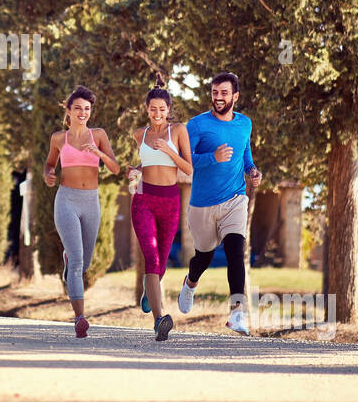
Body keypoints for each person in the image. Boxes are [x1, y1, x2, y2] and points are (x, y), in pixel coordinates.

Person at [178, 72, 262, 334]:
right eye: (215, 92)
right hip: (202, 204)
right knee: (203, 257)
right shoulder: (197, 125)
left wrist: (252, 171)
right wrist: (212, 157)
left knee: (236, 251)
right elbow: (185, 161)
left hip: (235, 199)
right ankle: (190, 283)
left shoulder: (245, 124)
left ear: (235, 96)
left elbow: (245, 154)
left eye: (224, 93)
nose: (218, 98)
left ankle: (237, 314)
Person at [44, 86, 120, 338]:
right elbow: (49, 164)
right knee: (78, 263)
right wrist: (48, 175)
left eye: (87, 109)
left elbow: (116, 168)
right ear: (68, 110)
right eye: (77, 108)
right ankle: (80, 319)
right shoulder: (58, 138)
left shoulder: (98, 135)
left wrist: (98, 153)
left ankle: (69, 262)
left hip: (91, 201)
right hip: (66, 200)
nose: (83, 112)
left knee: (83, 263)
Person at [126, 76, 193, 341]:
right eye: (152, 109)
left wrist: (168, 149)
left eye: (162, 109)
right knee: (151, 260)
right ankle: (159, 320)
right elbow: (147, 166)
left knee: (161, 264)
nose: (157, 113)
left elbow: (188, 168)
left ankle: (148, 291)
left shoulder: (177, 131)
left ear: (168, 110)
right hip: (143, 199)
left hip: (170, 201)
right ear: (147, 109)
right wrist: (135, 172)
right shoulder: (138, 134)